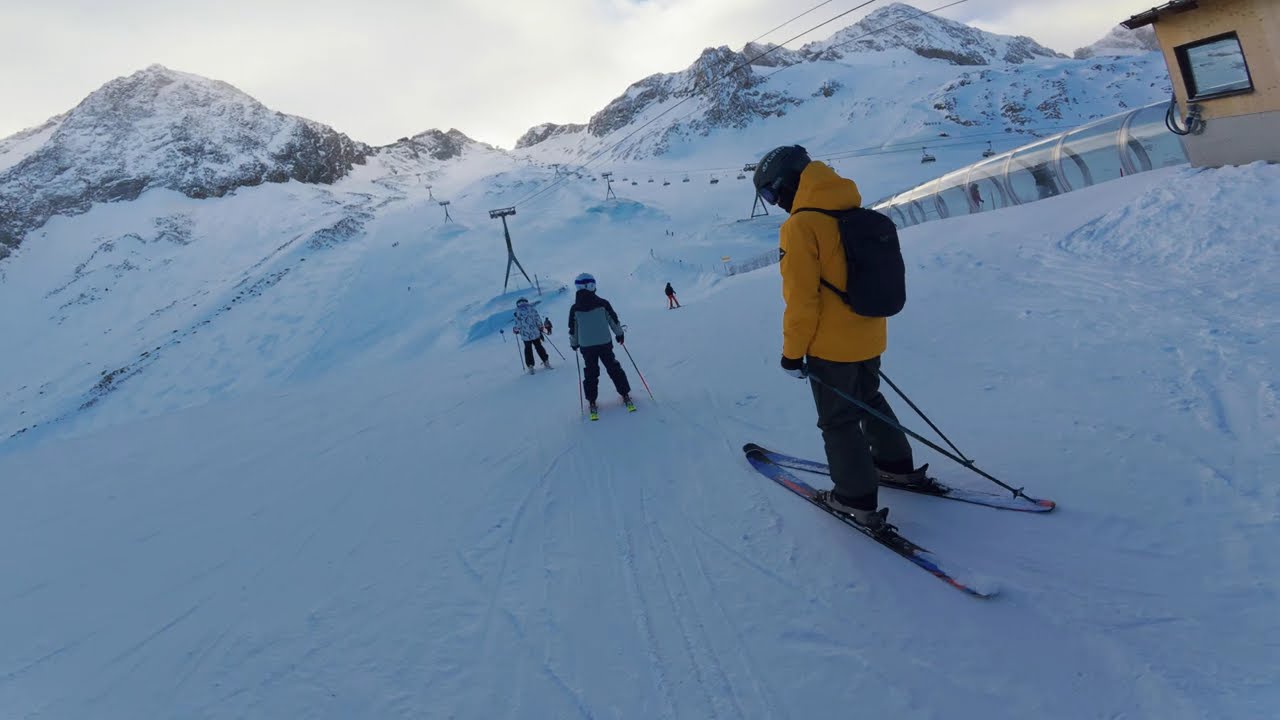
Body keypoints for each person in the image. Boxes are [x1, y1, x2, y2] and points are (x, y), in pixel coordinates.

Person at [753, 144, 925, 531]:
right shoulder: (852, 209)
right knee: (870, 399)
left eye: (769, 192)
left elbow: (801, 300)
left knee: (838, 420)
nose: (773, 201)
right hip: (870, 334)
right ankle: (895, 465)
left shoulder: (800, 226)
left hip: (830, 347)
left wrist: (792, 354)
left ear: (786, 183)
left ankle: (854, 498)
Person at [567, 273, 632, 413]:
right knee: (613, 367)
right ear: (592, 286)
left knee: (591, 372)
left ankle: (591, 400)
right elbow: (613, 320)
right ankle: (624, 393)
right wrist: (619, 334)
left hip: (586, 346)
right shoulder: (603, 303)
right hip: (604, 343)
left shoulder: (575, 308)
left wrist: (574, 343)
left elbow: (573, 329)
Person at [513, 298, 551, 373]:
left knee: (528, 349)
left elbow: (518, 324)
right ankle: (546, 361)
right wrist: (540, 327)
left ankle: (530, 365)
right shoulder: (532, 309)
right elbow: (538, 319)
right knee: (539, 346)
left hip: (525, 335)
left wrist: (516, 329)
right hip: (535, 333)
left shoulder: (517, 312)